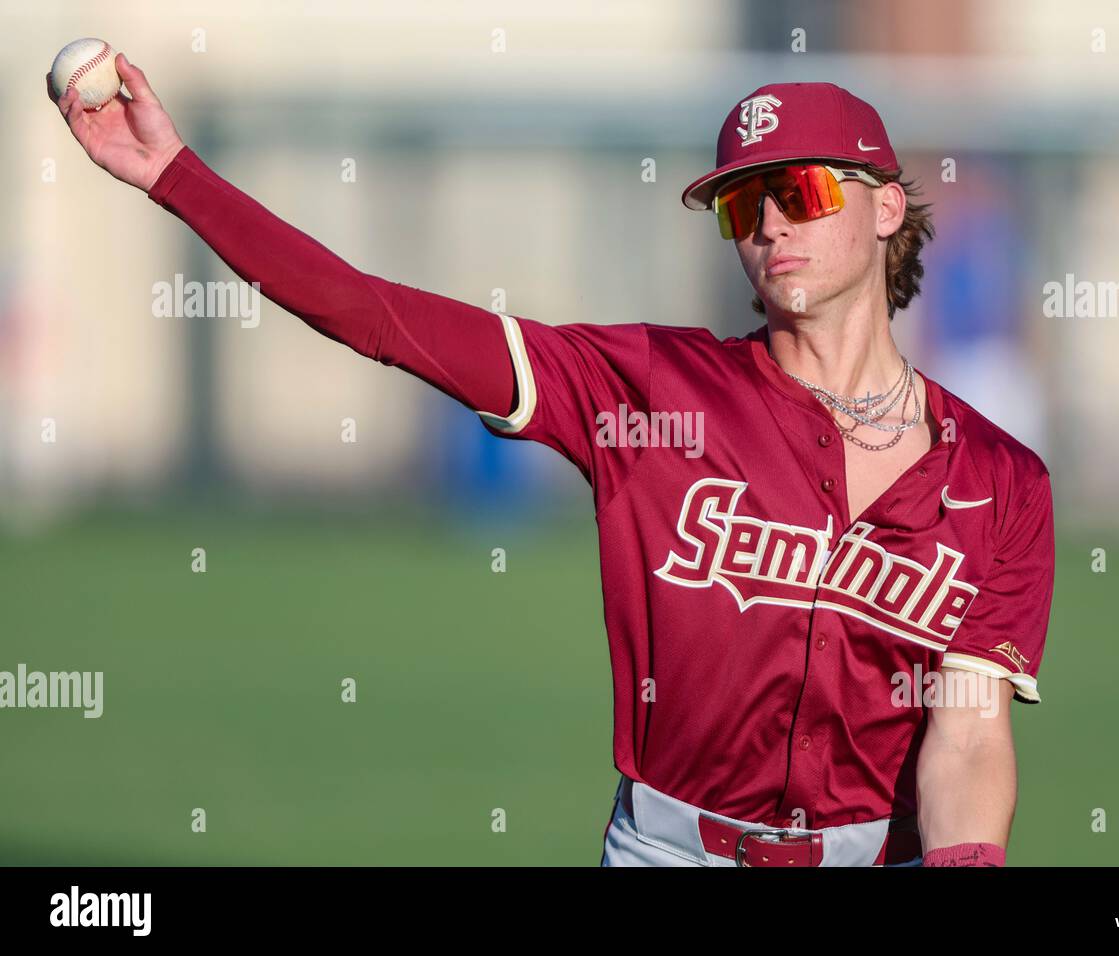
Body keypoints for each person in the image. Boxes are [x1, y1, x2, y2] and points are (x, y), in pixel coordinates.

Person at [50, 64, 1055, 867]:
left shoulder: (1002, 481)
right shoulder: (643, 389)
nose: (769, 224)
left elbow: (964, 737)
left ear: (885, 210)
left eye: (796, 189)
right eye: (739, 206)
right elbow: (373, 312)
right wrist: (175, 174)